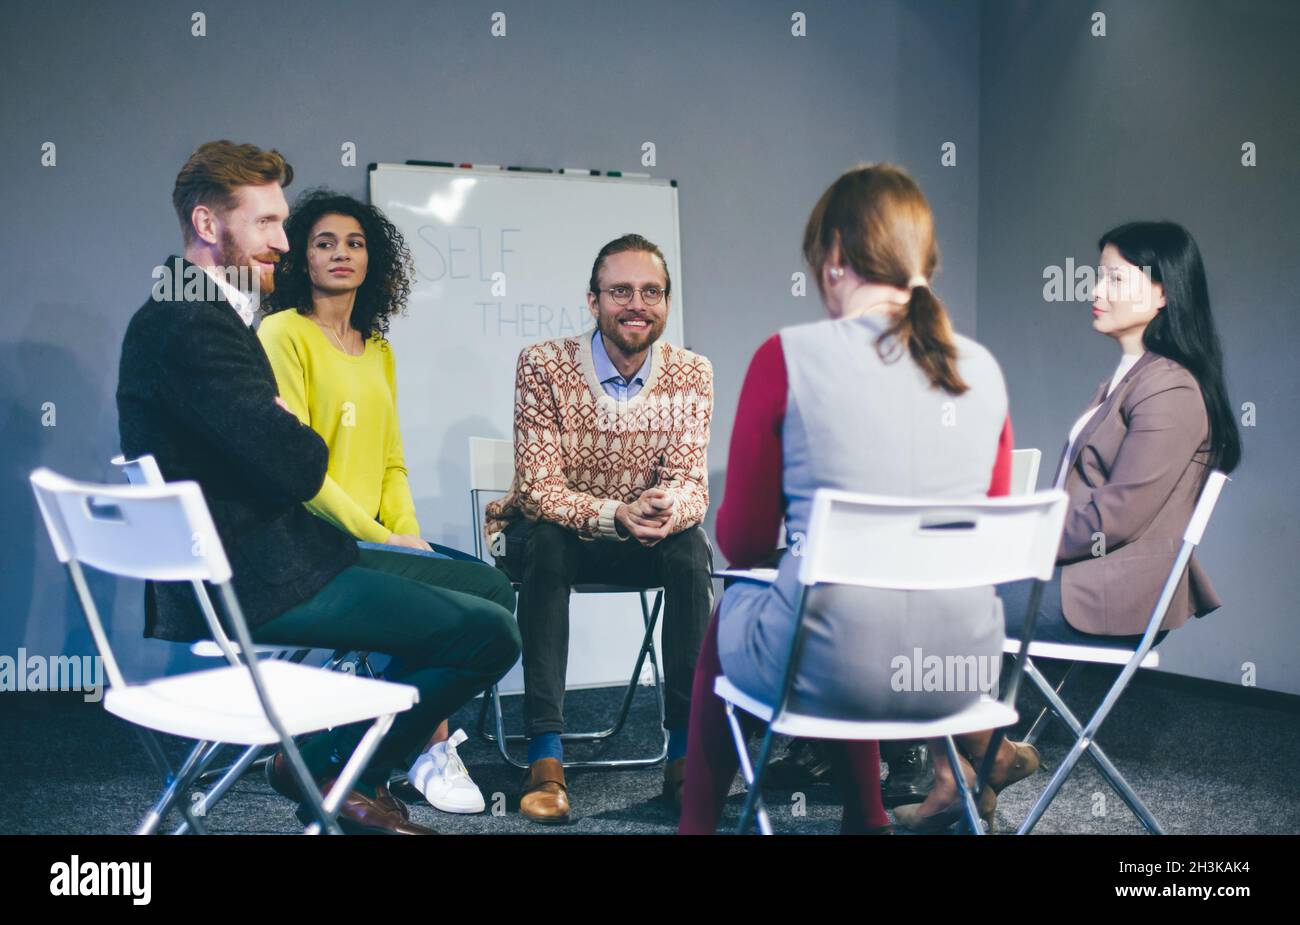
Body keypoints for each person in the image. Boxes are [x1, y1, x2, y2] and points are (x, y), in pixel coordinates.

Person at [116, 140, 520, 835]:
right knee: (491, 634)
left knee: (486, 588)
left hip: (278, 553)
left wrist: (282, 431)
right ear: (210, 226)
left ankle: (331, 763)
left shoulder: (196, 313)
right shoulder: (191, 323)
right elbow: (301, 466)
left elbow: (284, 451)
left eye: (282, 223)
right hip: (261, 576)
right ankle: (335, 765)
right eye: (266, 223)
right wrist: (288, 435)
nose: (283, 240)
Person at [677, 163, 1024, 835]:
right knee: (837, 599)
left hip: (835, 663)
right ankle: (866, 821)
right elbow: (989, 534)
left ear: (835, 254)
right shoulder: (981, 368)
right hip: (962, 674)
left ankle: (699, 829)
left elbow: (744, 542)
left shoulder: (787, 356)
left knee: (740, 616)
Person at [895, 220, 1241, 831]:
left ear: (1163, 291)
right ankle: (962, 777)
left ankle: (987, 759)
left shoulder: (1171, 388)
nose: (1095, 288)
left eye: (1114, 276)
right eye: (1096, 274)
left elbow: (1117, 516)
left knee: (924, 604)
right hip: (1085, 575)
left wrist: (1006, 542)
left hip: (1116, 594)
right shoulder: (1128, 380)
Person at [258, 189, 514, 814]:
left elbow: (392, 462)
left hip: (375, 536)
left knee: (493, 585)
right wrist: (378, 533)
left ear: (374, 260)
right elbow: (298, 472)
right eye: (324, 243)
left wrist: (408, 535)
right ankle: (400, 751)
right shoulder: (283, 332)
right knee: (482, 607)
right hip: (320, 542)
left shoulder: (377, 348)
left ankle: (388, 745)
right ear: (302, 259)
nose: (341, 254)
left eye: (355, 243)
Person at [485, 234, 714, 823]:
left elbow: (693, 485)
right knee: (549, 541)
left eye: (651, 292)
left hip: (644, 540)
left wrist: (665, 508)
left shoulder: (692, 373)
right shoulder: (543, 365)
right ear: (593, 301)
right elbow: (537, 489)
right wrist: (615, 513)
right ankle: (545, 756)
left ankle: (686, 757)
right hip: (557, 539)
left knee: (691, 548)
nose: (637, 304)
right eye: (620, 291)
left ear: (666, 302)